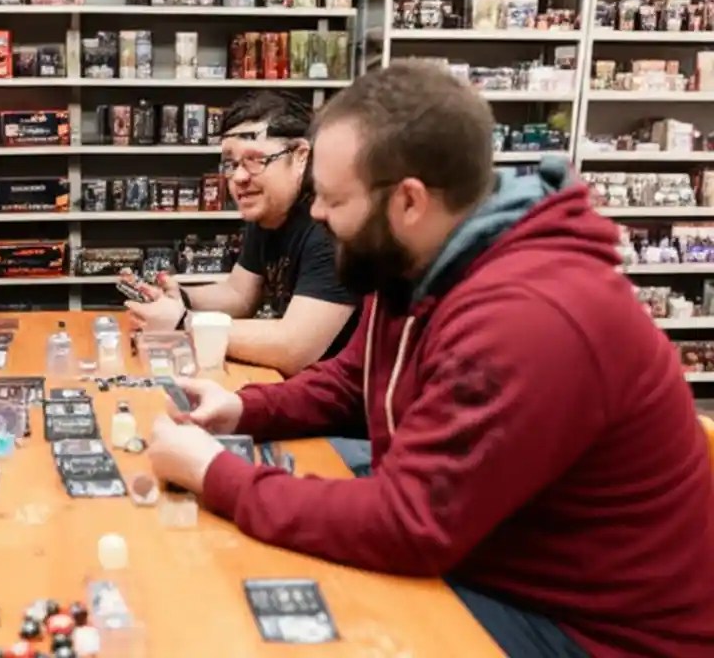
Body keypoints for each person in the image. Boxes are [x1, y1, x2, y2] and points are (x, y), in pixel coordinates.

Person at [145, 60, 714, 657]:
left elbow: (409, 525)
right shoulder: (420, 263)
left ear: (409, 202)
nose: (316, 214)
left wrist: (218, 475)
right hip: (489, 552)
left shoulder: (529, 315)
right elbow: (348, 381)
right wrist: (239, 410)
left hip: (590, 630)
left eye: (334, 199)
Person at [123, 90, 359, 376]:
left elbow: (295, 346)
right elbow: (240, 295)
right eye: (231, 163)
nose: (238, 178)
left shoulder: (329, 228)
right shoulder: (268, 213)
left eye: (255, 160)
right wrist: (180, 297)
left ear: (300, 156)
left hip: (342, 409)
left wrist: (182, 322)